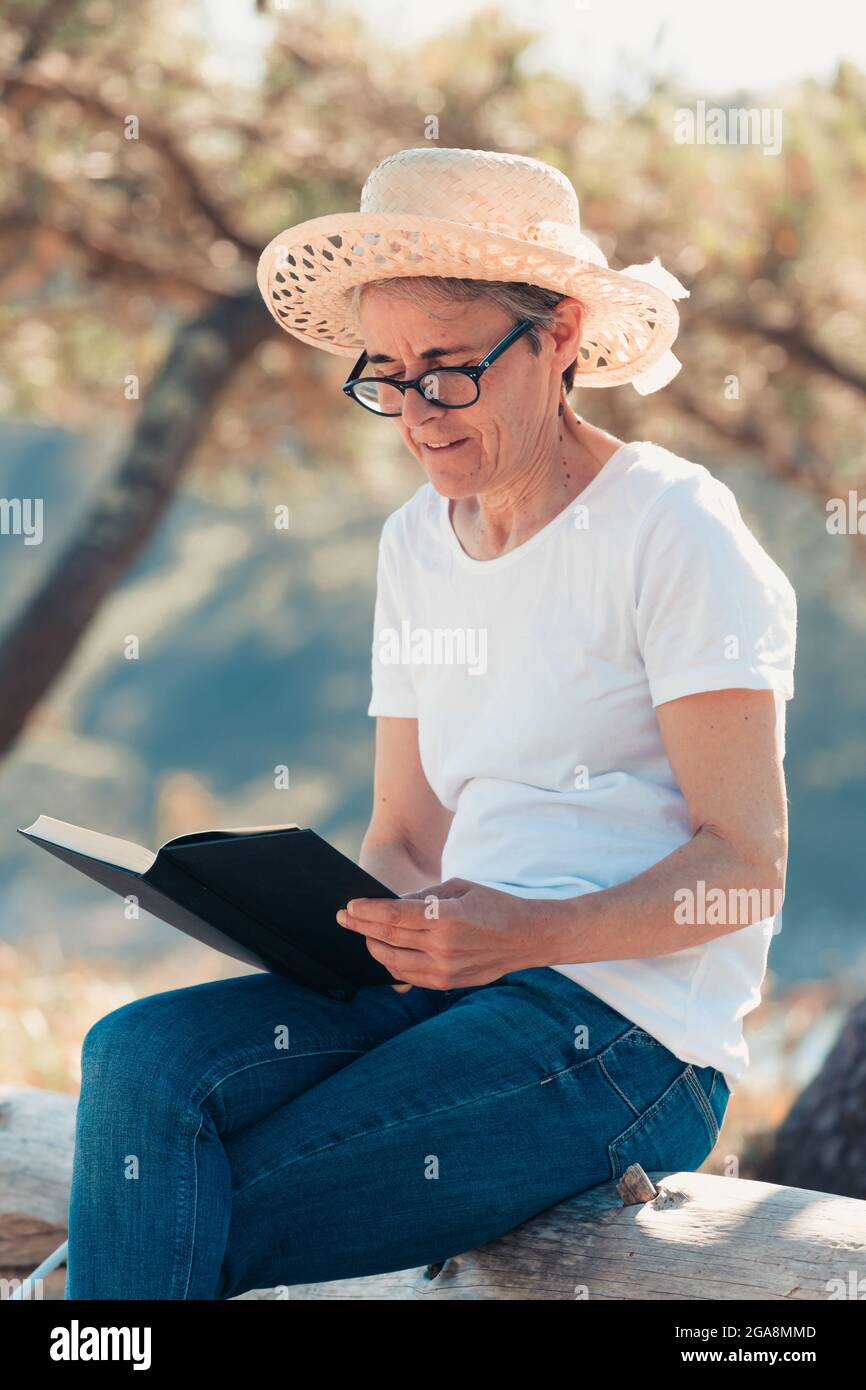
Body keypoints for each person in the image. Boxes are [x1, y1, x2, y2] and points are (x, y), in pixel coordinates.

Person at [65, 147, 796, 1300]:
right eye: (388, 373)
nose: (414, 411)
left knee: (186, 1209)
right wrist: (342, 924)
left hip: (625, 1039)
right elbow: (407, 833)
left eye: (450, 368)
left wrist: (526, 934)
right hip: (450, 990)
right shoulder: (416, 540)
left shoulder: (672, 528)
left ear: (556, 337)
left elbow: (744, 870)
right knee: (137, 1054)